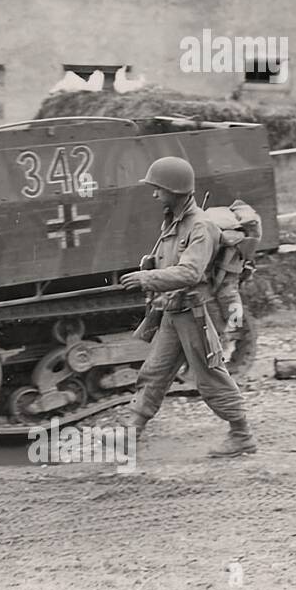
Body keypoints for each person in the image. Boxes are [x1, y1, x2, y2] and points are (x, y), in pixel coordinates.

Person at [118, 157, 257, 457]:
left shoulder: (201, 227)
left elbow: (191, 273)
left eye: (158, 188)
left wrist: (146, 278)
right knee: (154, 372)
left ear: (175, 190)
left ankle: (241, 435)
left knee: (210, 377)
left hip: (198, 312)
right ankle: (130, 434)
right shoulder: (173, 223)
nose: (154, 194)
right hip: (174, 310)